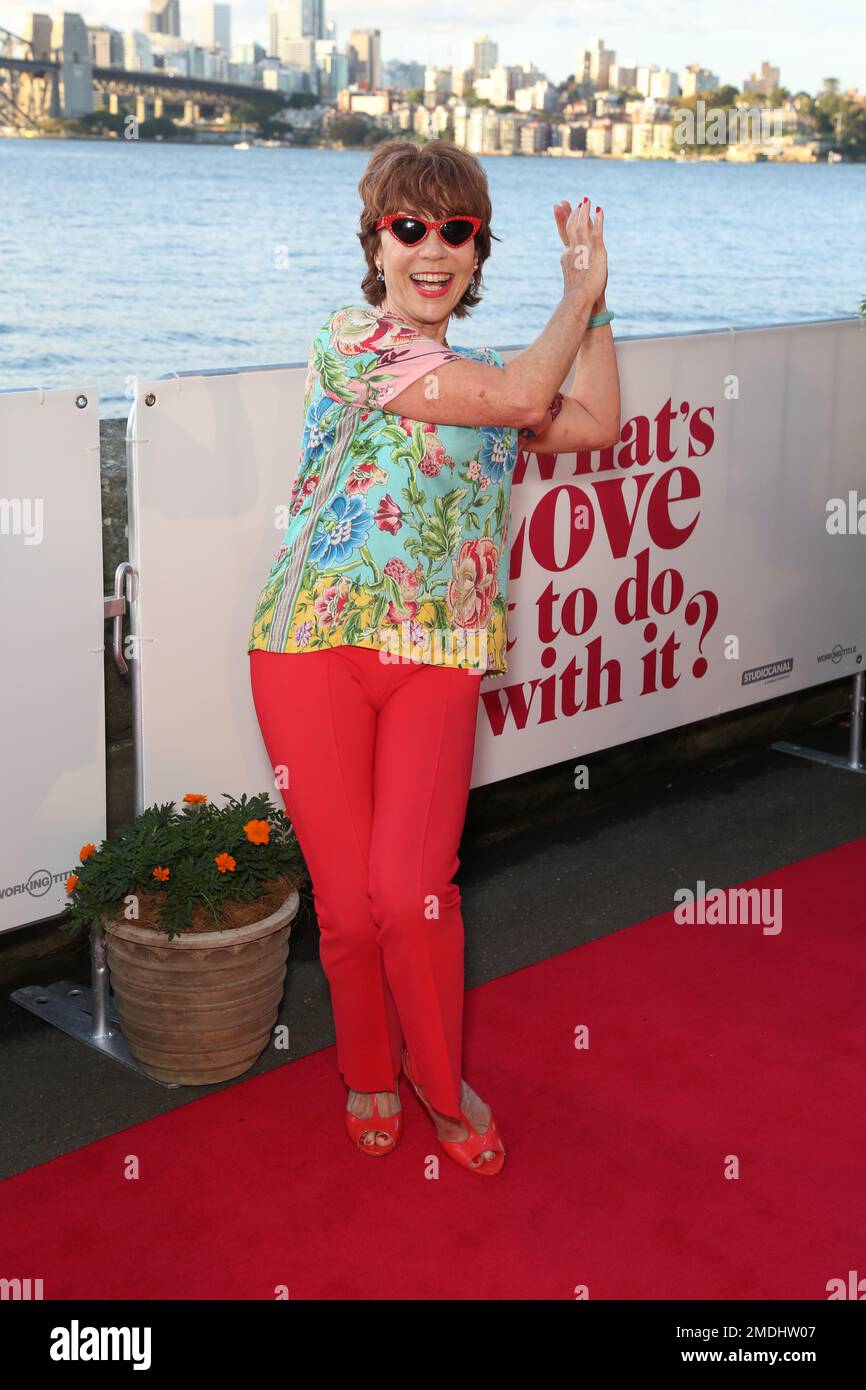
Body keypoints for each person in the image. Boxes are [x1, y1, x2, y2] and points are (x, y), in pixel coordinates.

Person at [247, 138, 619, 1176]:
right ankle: (367, 1065)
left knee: (414, 890)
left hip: (438, 653)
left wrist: (593, 308)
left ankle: (437, 1075)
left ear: (476, 250)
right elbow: (511, 404)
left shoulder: (494, 378)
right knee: (350, 906)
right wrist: (572, 297)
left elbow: (594, 420)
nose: (432, 248)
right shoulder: (348, 341)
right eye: (409, 226)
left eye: (455, 231)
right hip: (311, 644)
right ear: (376, 238)